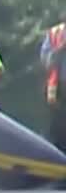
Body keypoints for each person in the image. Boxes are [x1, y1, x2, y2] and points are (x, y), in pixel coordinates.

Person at [40, 18, 66, 150]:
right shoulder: (54, 34)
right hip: (58, 88)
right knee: (57, 128)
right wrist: (61, 48)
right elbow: (47, 63)